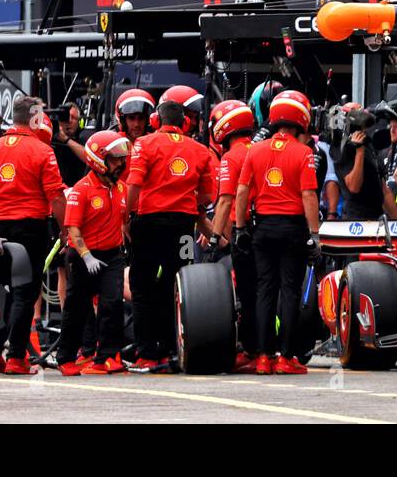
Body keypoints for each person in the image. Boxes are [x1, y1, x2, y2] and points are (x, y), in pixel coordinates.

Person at [124, 99, 217, 373]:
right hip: (184, 228)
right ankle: (170, 351)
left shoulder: (144, 144)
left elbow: (133, 185)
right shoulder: (200, 151)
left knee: (141, 285)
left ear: (156, 121)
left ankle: (147, 354)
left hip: (148, 224)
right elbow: (207, 195)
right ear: (185, 123)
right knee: (179, 283)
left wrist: (129, 217)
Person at [0, 95, 65, 374]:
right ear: (36, 119)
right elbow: (57, 197)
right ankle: (16, 357)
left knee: (1, 290)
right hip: (30, 229)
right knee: (25, 293)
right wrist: (66, 230)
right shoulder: (42, 151)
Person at [234, 90, 320, 375]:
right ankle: (286, 356)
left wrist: (240, 227)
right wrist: (315, 234)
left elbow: (242, 190)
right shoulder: (305, 153)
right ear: (300, 121)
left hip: (263, 228)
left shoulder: (255, 151)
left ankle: (262, 357)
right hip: (293, 228)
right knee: (290, 291)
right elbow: (309, 195)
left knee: (265, 291)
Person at [57, 130, 131, 376]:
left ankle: (107, 357)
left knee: (112, 304)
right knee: (77, 308)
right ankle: (66, 358)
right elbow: (73, 228)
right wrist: (86, 255)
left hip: (112, 256)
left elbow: (125, 220)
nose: (121, 162)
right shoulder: (81, 190)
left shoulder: (121, 188)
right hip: (82, 257)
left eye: (122, 157)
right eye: (116, 158)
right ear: (99, 160)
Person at [209, 99, 258, 367]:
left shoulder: (231, 157)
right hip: (270, 228)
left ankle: (251, 350)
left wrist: (215, 238)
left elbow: (225, 200)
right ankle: (271, 350)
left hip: (244, 232)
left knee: (248, 293)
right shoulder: (262, 149)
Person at [338, 107, 397, 220]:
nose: (361, 110)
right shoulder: (343, 149)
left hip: (377, 217)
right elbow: (353, 187)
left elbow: (384, 191)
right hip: (356, 221)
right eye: (356, 109)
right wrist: (359, 150)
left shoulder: (369, 145)